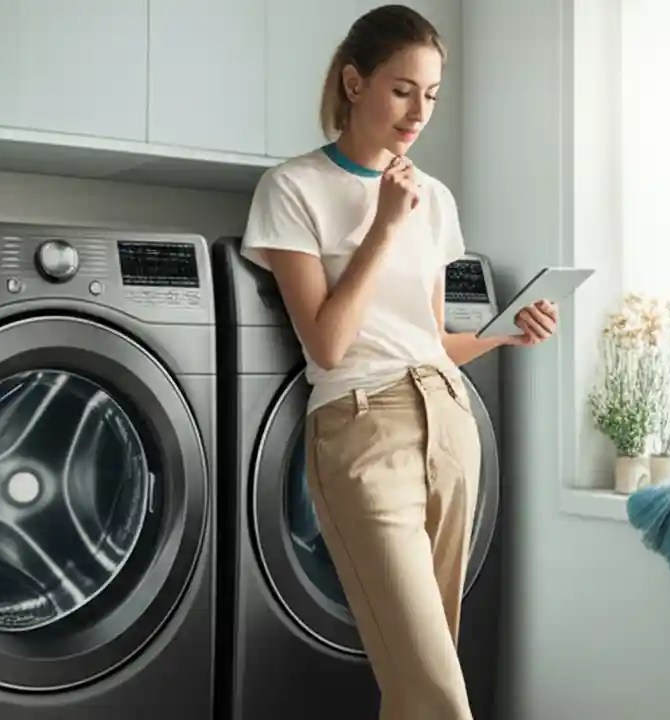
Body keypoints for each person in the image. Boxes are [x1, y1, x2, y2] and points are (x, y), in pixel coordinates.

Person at [239, 5, 559, 719]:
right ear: (355, 83)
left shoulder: (434, 199)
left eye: (432, 95)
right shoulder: (292, 189)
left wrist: (505, 333)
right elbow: (327, 343)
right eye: (403, 90)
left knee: (419, 682)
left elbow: (430, 339)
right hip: (362, 427)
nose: (419, 113)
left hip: (448, 420)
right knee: (436, 687)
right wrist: (383, 227)